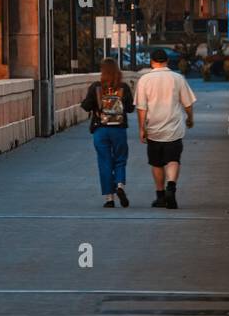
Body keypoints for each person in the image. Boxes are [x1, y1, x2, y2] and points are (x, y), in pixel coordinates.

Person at [135, 47, 196, 209]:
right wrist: (190, 118)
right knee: (173, 159)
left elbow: (141, 107)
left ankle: (160, 196)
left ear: (151, 62)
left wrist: (142, 128)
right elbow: (188, 104)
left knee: (156, 163)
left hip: (154, 128)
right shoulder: (178, 78)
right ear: (167, 61)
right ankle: (171, 187)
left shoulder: (144, 80)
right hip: (174, 127)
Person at [80, 58, 135, 207]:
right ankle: (119, 185)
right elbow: (130, 108)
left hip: (101, 129)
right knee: (120, 159)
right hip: (118, 129)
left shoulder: (96, 87)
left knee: (104, 162)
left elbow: (85, 106)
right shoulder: (123, 87)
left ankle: (109, 199)